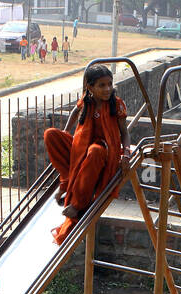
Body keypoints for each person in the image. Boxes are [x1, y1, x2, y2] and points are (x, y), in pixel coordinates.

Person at [43, 64, 132, 244]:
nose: (107, 89)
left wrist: (127, 154)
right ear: (90, 87)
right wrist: (67, 132)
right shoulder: (86, 100)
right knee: (51, 134)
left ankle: (77, 204)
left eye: (109, 84)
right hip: (80, 148)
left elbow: (125, 132)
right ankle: (68, 179)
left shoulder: (117, 104)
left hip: (105, 151)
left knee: (95, 151)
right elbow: (75, 112)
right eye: (102, 85)